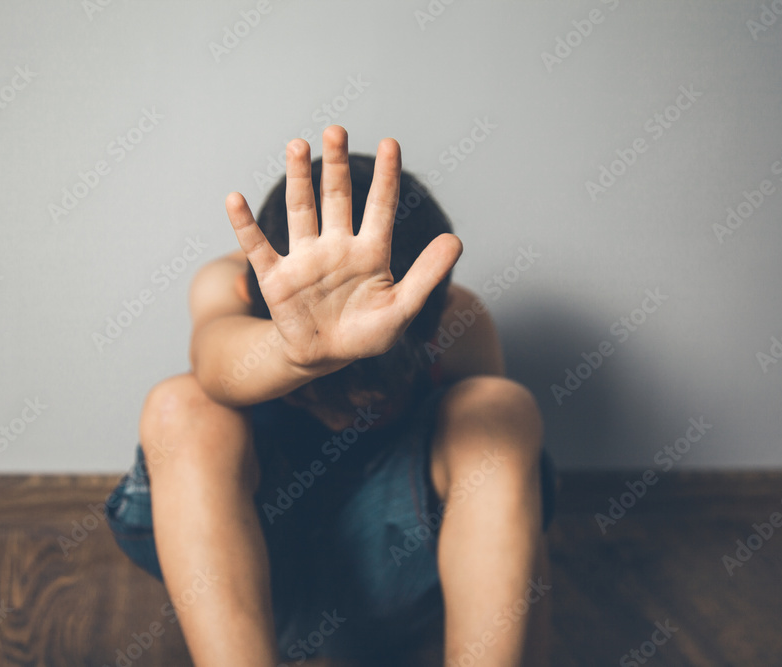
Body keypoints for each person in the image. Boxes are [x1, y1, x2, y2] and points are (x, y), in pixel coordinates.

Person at [106, 125, 556, 666]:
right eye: (315, 396)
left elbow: (514, 535)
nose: (345, 420)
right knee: (182, 407)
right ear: (251, 295)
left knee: (499, 412)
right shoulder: (227, 284)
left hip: (393, 581)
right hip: (256, 577)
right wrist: (296, 354)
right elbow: (216, 364)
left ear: (433, 329)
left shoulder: (460, 320)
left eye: (370, 401)